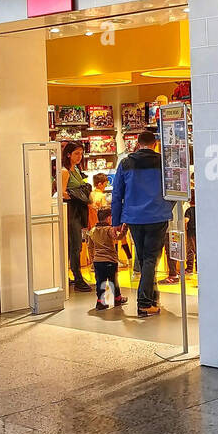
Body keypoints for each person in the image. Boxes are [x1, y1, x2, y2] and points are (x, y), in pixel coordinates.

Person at [111, 129, 176, 317]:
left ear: (138, 144)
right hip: (157, 216)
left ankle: (152, 297)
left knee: (143, 258)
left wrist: (117, 221)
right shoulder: (164, 163)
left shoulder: (125, 163)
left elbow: (117, 195)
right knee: (150, 260)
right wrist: (166, 207)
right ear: (155, 144)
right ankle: (145, 303)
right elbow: (174, 189)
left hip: (134, 218)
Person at [59, 141, 92, 292]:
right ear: (68, 154)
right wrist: (77, 195)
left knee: (75, 245)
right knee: (75, 245)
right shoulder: (65, 171)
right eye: (76, 153)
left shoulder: (77, 169)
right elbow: (62, 193)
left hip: (78, 210)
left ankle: (71, 276)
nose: (79, 156)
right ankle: (78, 278)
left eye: (81, 153)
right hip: (72, 211)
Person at [86, 208, 125, 309]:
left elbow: (90, 247)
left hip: (97, 261)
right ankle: (117, 298)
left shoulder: (92, 231)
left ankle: (100, 301)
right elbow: (118, 237)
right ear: (108, 218)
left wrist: (93, 259)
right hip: (110, 260)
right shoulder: (109, 229)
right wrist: (124, 229)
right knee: (113, 281)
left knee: (100, 281)